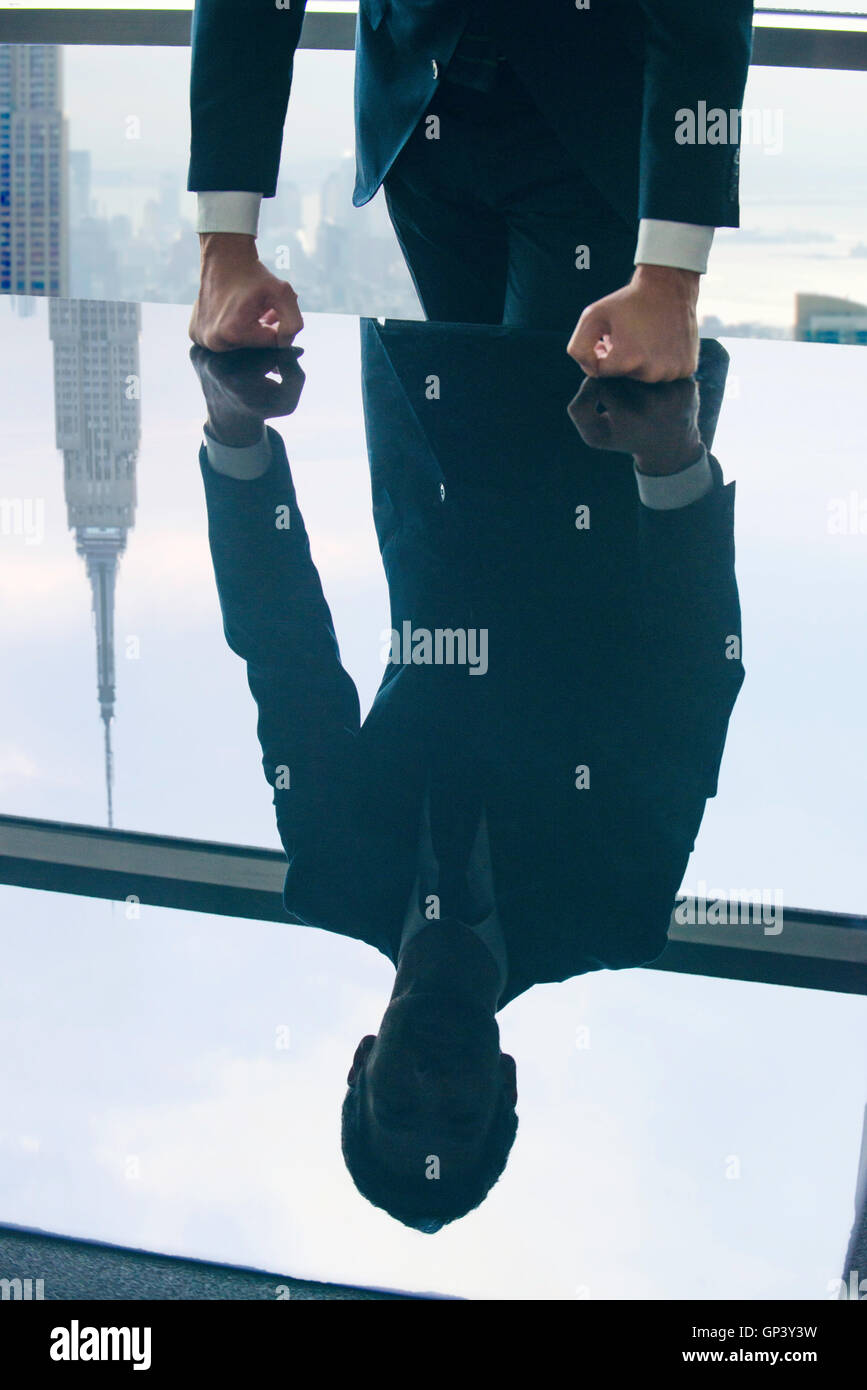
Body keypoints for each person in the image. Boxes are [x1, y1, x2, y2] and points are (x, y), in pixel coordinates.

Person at [190, 322, 744, 1227]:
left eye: (400, 1104)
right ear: (505, 1086)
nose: (433, 1080)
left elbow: (284, 658)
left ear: (361, 1066)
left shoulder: (334, 872)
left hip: (426, 423)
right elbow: (688, 694)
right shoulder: (610, 913)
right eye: (458, 1112)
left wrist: (235, 437)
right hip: (616, 447)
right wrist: (671, 462)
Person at [187, 0, 754, 380]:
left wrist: (671, 274)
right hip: (417, 120)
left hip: (600, 129)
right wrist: (224, 247)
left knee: (576, 454)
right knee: (446, 467)